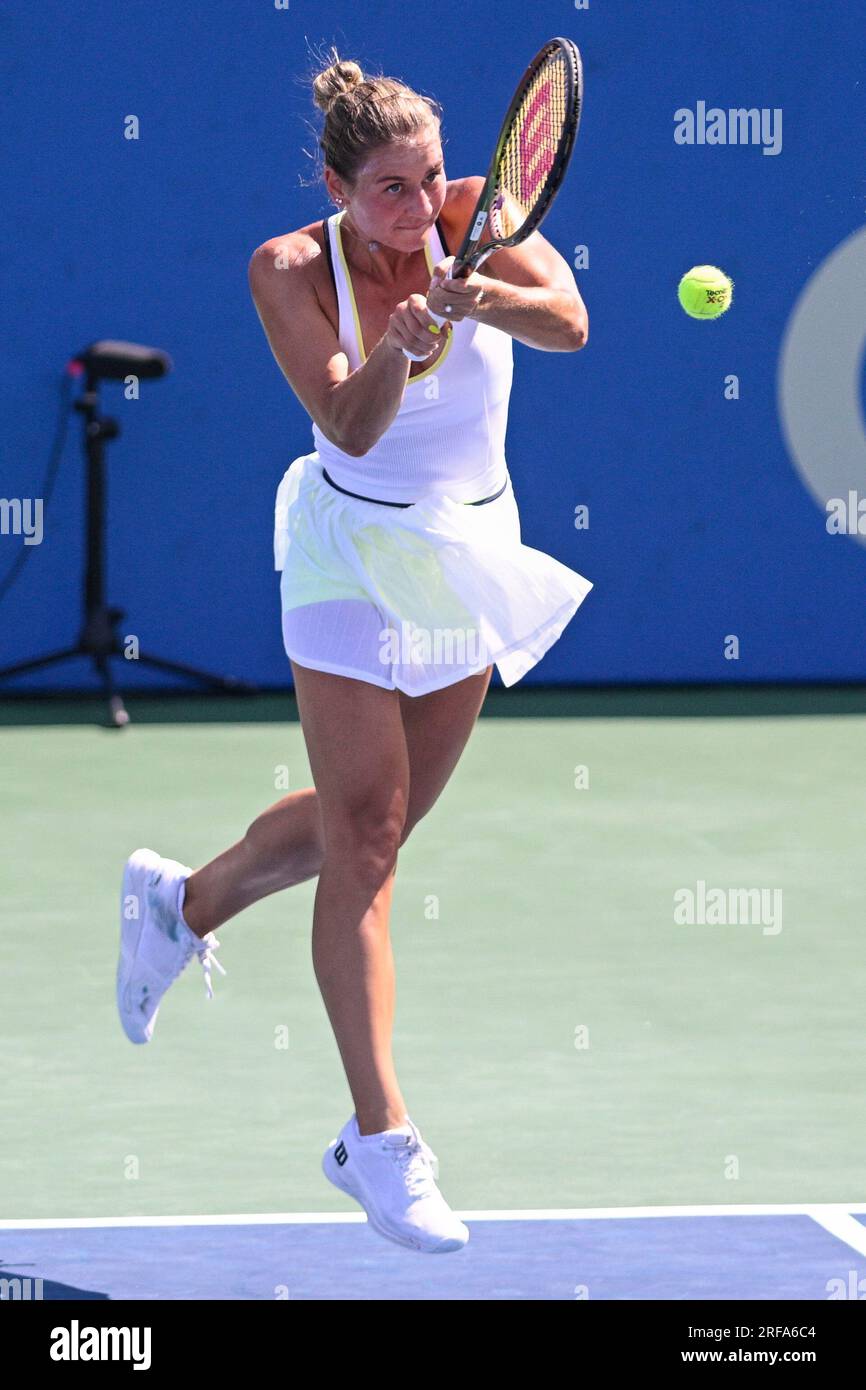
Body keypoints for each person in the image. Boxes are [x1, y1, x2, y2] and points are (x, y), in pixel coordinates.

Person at [116, 47, 593, 1255]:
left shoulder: (474, 216)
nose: (418, 203)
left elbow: (572, 324)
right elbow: (350, 422)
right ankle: (378, 1141)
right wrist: (401, 339)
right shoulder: (288, 268)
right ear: (335, 188)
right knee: (367, 839)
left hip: (471, 550)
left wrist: (471, 291)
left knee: (363, 821)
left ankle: (181, 903)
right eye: (389, 186)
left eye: (428, 176)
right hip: (346, 549)